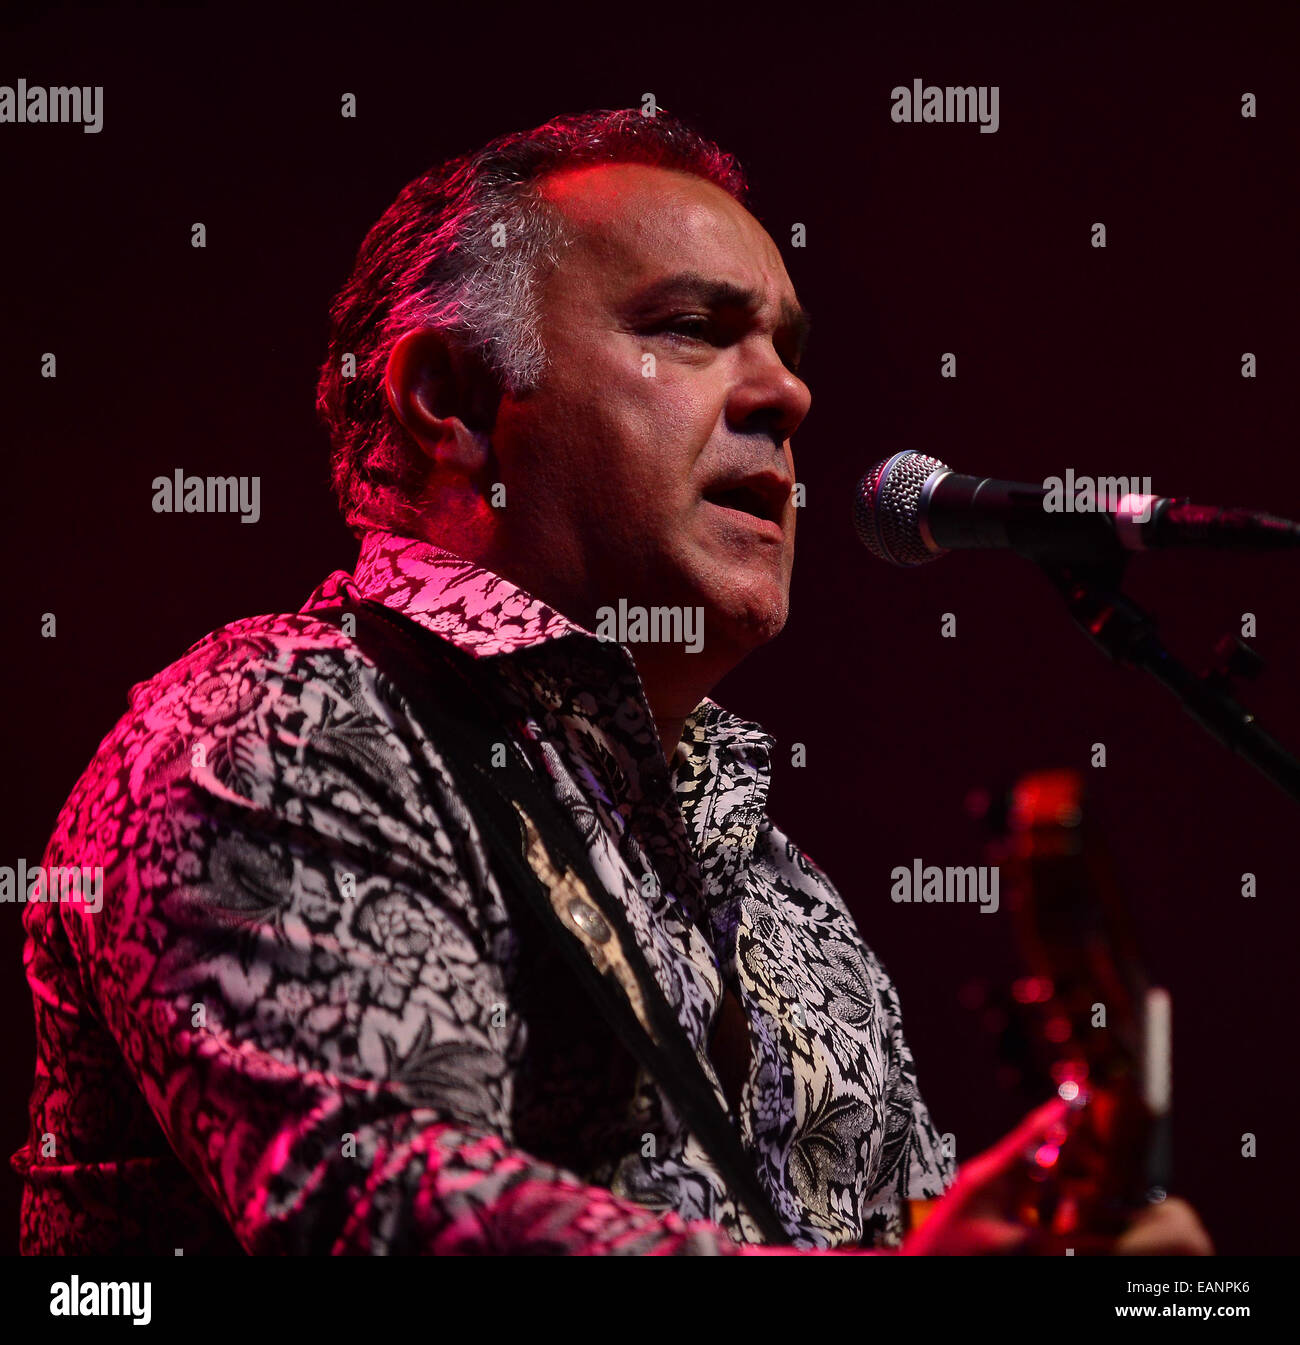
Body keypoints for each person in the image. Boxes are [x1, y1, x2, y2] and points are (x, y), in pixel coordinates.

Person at [12, 108, 1210, 1256]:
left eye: (786, 351)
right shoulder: (275, 724)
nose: (787, 395)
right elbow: (388, 1214)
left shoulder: (793, 899)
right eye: (692, 326)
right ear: (453, 401)